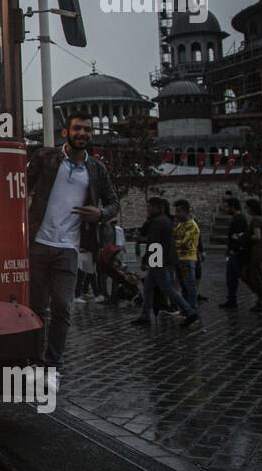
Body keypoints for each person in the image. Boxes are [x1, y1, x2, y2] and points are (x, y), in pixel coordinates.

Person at [26, 112, 120, 367]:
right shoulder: (47, 157)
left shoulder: (96, 168)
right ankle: (33, 358)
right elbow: (21, 186)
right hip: (39, 244)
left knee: (62, 308)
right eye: (77, 128)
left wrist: (100, 213)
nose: (83, 134)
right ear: (66, 132)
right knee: (36, 307)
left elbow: (114, 203)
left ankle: (52, 362)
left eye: (87, 130)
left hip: (68, 248)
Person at [132, 196, 201, 328]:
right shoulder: (163, 220)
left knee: (168, 288)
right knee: (148, 288)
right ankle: (145, 315)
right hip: (162, 258)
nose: (148, 209)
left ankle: (190, 312)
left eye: (150, 207)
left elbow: (154, 243)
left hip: (159, 259)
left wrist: (146, 259)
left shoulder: (158, 222)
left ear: (159, 208)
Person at [244, 197, 262, 313]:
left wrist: (244, 237)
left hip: (255, 251)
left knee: (255, 277)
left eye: (247, 208)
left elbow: (257, 236)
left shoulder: (256, 220)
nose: (246, 210)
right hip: (261, 250)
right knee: (256, 276)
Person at [220, 196, 249, 309]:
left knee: (242, 276)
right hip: (234, 252)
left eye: (227, 207)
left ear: (233, 207)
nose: (226, 209)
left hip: (237, 253)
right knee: (231, 277)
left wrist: (233, 249)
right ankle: (231, 299)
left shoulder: (239, 219)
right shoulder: (237, 218)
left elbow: (239, 236)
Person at [173, 199, 200, 310]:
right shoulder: (181, 225)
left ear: (186, 212)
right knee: (183, 285)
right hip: (179, 258)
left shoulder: (192, 225)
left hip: (187, 258)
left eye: (178, 211)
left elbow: (184, 243)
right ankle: (186, 307)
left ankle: (192, 307)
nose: (176, 214)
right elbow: (174, 235)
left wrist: (172, 243)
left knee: (189, 285)